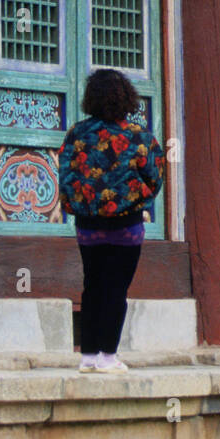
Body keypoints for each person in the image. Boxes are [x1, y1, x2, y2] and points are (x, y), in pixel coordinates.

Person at [57, 69, 165, 373]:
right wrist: (135, 200)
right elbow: (154, 178)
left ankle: (87, 356)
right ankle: (108, 357)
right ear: (127, 98)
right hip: (126, 227)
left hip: (88, 227)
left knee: (91, 286)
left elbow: (65, 175)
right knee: (116, 289)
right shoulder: (139, 136)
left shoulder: (77, 134)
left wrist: (77, 206)